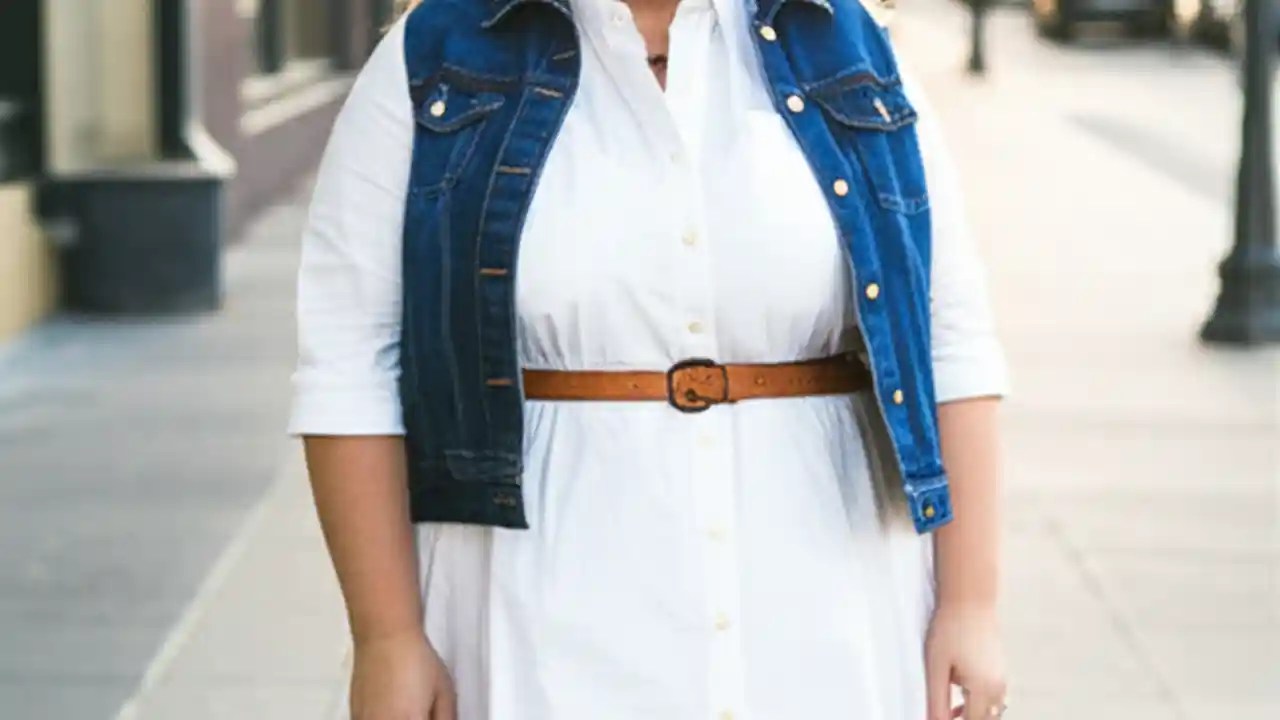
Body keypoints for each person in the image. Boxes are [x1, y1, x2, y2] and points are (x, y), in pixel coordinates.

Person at [288, 0, 1011, 718]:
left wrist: (969, 606)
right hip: (535, 611)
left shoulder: (846, 43)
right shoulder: (437, 54)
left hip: (829, 607)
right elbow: (350, 360)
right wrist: (387, 636)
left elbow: (950, 335)